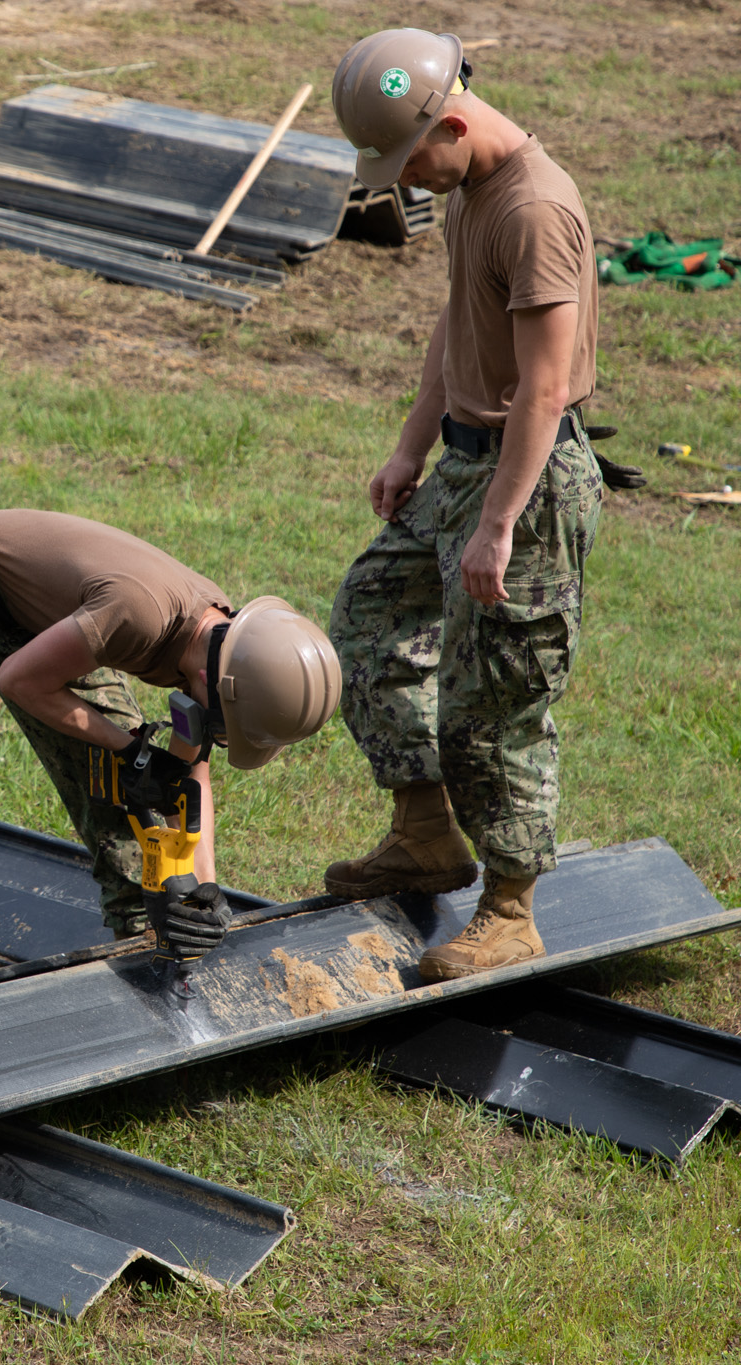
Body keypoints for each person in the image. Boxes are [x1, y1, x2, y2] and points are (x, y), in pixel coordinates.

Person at [324, 31, 605, 981]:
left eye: (409, 162)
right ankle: (426, 834)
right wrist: (412, 447)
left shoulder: (534, 208)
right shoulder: (470, 190)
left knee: (496, 701)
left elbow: (543, 388)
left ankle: (510, 908)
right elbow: (457, 322)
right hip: (462, 462)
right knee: (369, 613)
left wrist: (496, 524)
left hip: (525, 479)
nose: (406, 181)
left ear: (450, 122)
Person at [0, 509, 340, 995]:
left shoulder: (226, 649)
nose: (221, 732)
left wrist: (202, 894)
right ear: (215, 683)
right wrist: (131, 749)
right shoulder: (140, 615)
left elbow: (186, 775)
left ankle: (149, 947)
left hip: (53, 621)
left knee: (127, 795)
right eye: (227, 723)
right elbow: (20, 680)